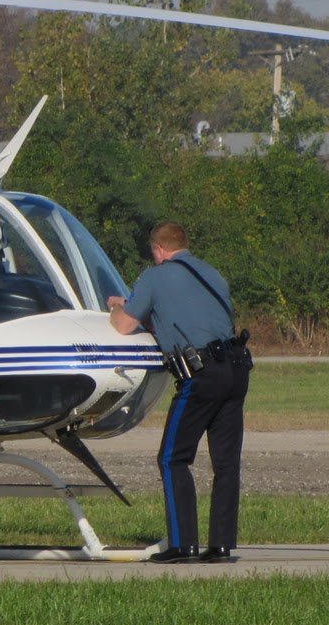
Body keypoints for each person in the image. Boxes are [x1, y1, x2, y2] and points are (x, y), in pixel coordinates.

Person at [107, 221, 251, 564]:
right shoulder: (212, 274)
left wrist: (117, 305)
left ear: (158, 250)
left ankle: (183, 544)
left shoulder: (155, 276)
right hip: (237, 370)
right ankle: (221, 546)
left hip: (202, 376)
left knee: (173, 458)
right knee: (226, 463)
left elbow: (125, 325)